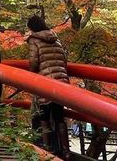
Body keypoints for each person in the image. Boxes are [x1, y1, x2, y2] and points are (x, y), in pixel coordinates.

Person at [27, 15, 70, 160]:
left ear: (32, 27)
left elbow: (34, 63)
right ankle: (66, 151)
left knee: (44, 116)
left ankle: (47, 150)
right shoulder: (56, 39)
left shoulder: (34, 40)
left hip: (45, 82)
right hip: (61, 82)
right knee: (59, 117)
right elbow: (64, 61)